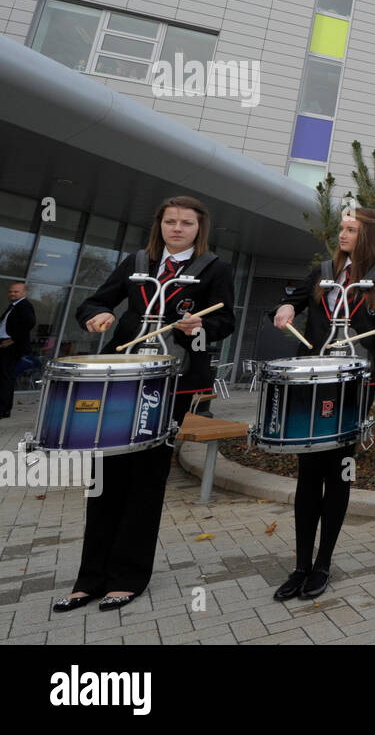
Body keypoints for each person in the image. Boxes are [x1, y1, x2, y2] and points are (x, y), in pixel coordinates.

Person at [54, 196, 235, 612]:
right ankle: (89, 579)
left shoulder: (214, 269)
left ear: (198, 229)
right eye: (170, 221)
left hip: (172, 383)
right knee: (105, 474)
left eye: (186, 223)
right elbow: (95, 301)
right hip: (124, 378)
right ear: (160, 225)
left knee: (146, 478)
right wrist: (95, 317)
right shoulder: (138, 263)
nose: (177, 228)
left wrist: (200, 326)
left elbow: (225, 324)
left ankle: (128, 577)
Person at [269, 206, 375, 601]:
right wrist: (286, 306)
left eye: (351, 230)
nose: (342, 235)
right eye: (342, 228)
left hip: (358, 379)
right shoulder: (324, 271)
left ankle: (323, 563)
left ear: (369, 236)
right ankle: (300, 565)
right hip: (314, 377)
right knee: (309, 469)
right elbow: (290, 300)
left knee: (339, 467)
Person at [0, 281, 36, 419]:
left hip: (11, 346)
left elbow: (30, 323)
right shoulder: (14, 306)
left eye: (16, 291)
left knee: (6, 378)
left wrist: (12, 339)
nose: (12, 294)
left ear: (24, 293)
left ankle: (3, 410)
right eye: (11, 291)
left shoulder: (24, 305)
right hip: (5, 343)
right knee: (3, 377)